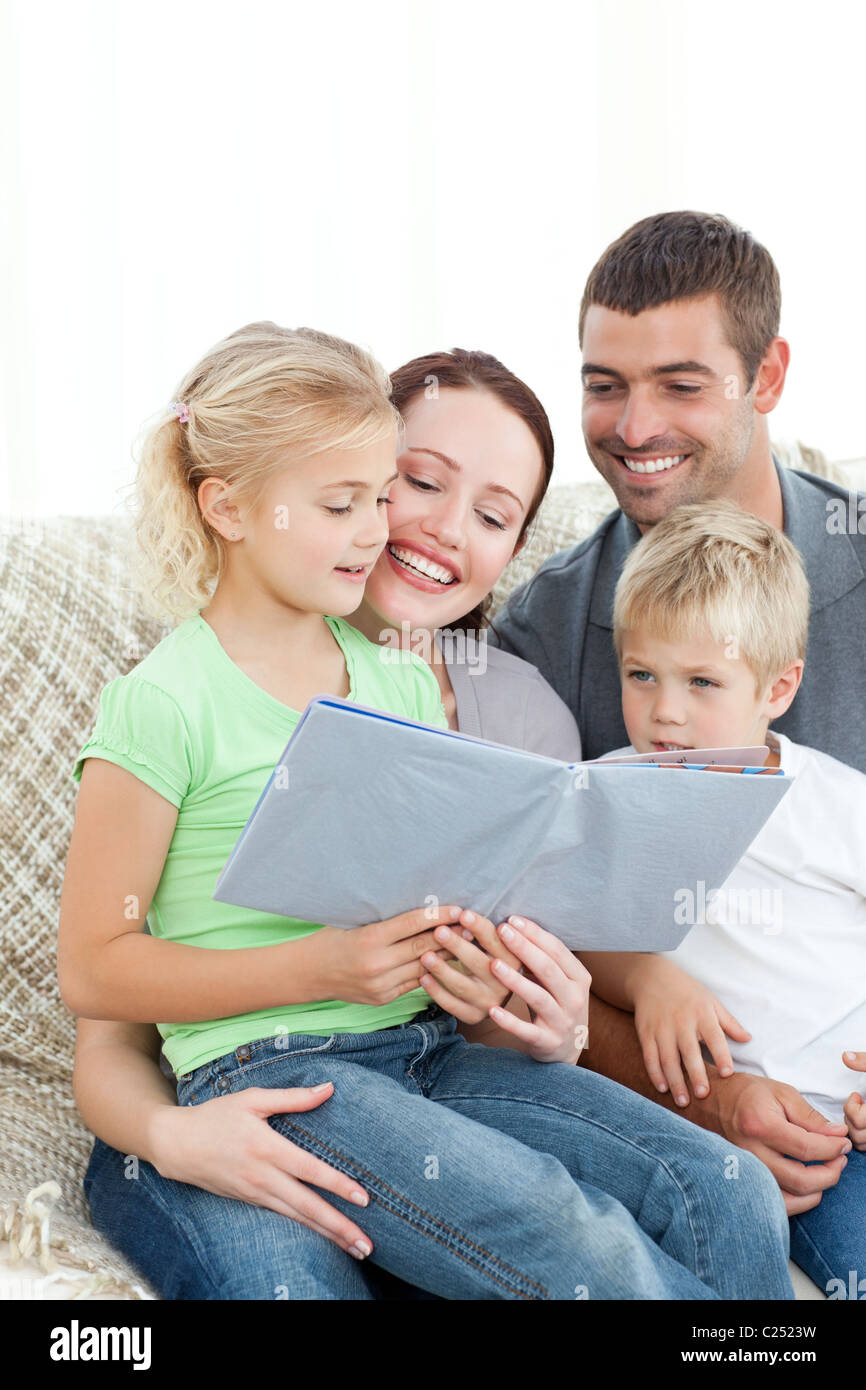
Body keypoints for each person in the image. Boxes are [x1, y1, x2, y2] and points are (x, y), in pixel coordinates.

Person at [60, 321, 793, 1300]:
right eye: (342, 503)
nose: (376, 531)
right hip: (278, 1069)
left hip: (428, 1051)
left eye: (376, 498)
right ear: (227, 507)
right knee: (569, 1234)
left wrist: (488, 966)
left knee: (727, 1187)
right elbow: (94, 967)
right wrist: (320, 966)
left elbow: (431, 907)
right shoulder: (163, 700)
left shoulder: (399, 686)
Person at [489, 209, 865, 1219]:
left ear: (768, 378)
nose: (633, 426)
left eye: (679, 386)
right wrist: (702, 1097)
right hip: (731, 1129)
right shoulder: (548, 627)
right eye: (603, 386)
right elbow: (517, 939)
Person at [578, 499, 864, 1293]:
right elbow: (566, 929)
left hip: (842, 1126)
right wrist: (646, 979)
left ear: (778, 686)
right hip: (702, 1134)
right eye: (642, 675)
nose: (665, 711)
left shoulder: (837, 807)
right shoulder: (604, 791)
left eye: (702, 681)